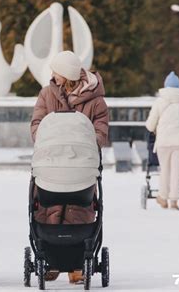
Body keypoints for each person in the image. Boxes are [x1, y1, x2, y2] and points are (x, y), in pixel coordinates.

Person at [30, 50, 109, 284]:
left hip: (81, 164)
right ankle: (52, 261)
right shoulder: (47, 94)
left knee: (79, 207)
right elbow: (37, 123)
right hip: (52, 161)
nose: (53, 74)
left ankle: (77, 263)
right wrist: (46, 140)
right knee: (48, 205)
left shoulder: (96, 101)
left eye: (56, 71)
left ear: (67, 74)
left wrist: (85, 144)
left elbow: (101, 130)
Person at [145, 71, 179, 210]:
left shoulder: (159, 102)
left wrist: (156, 128)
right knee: (177, 171)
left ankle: (162, 197)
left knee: (165, 170)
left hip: (164, 142)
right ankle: (173, 201)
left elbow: (150, 125)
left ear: (165, 87)